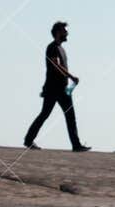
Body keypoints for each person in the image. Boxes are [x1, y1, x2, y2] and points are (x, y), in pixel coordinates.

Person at [24, 21, 91, 151]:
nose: (67, 33)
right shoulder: (52, 48)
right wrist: (71, 76)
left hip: (63, 89)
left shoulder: (61, 49)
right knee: (46, 114)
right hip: (53, 89)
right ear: (58, 32)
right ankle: (28, 140)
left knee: (68, 116)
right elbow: (56, 65)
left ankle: (76, 145)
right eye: (64, 30)